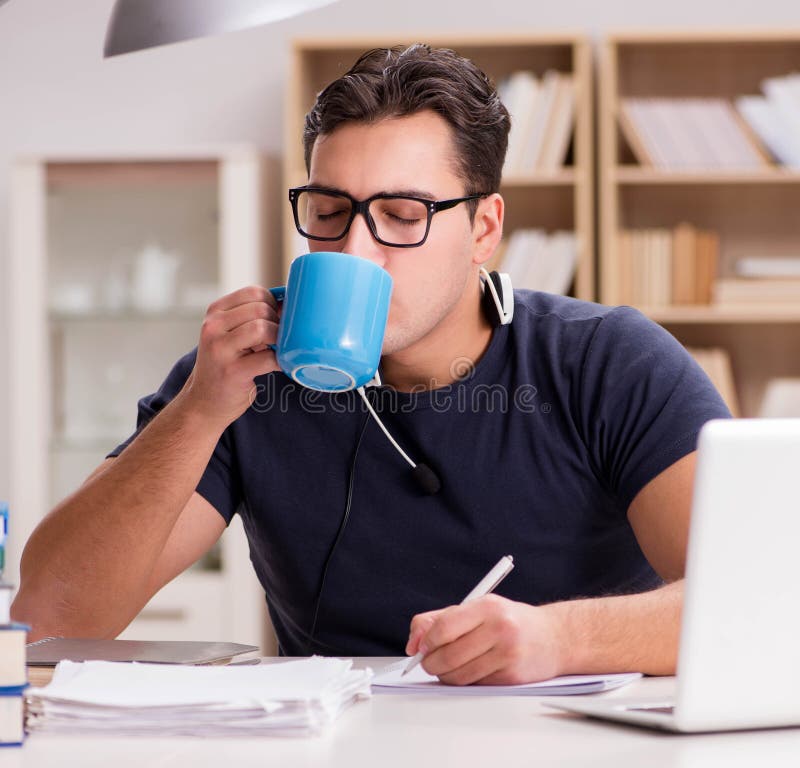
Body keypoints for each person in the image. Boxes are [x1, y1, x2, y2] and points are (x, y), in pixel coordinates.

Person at [12, 44, 730, 685]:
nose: (356, 250)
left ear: (484, 229)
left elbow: (754, 597)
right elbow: (48, 619)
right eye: (329, 212)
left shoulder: (608, 362)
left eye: (403, 215)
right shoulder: (236, 379)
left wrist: (561, 639)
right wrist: (198, 411)